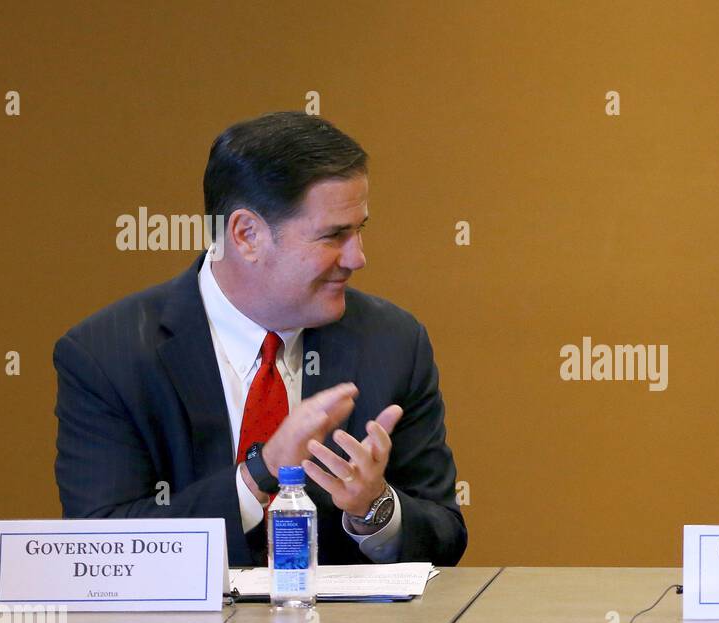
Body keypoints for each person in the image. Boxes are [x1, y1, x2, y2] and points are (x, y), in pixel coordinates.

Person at [54, 112, 467, 567]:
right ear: (247, 235)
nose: (358, 257)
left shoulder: (392, 343)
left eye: (359, 230)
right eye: (334, 235)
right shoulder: (107, 356)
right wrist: (260, 474)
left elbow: (445, 535)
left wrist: (374, 508)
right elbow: (103, 549)